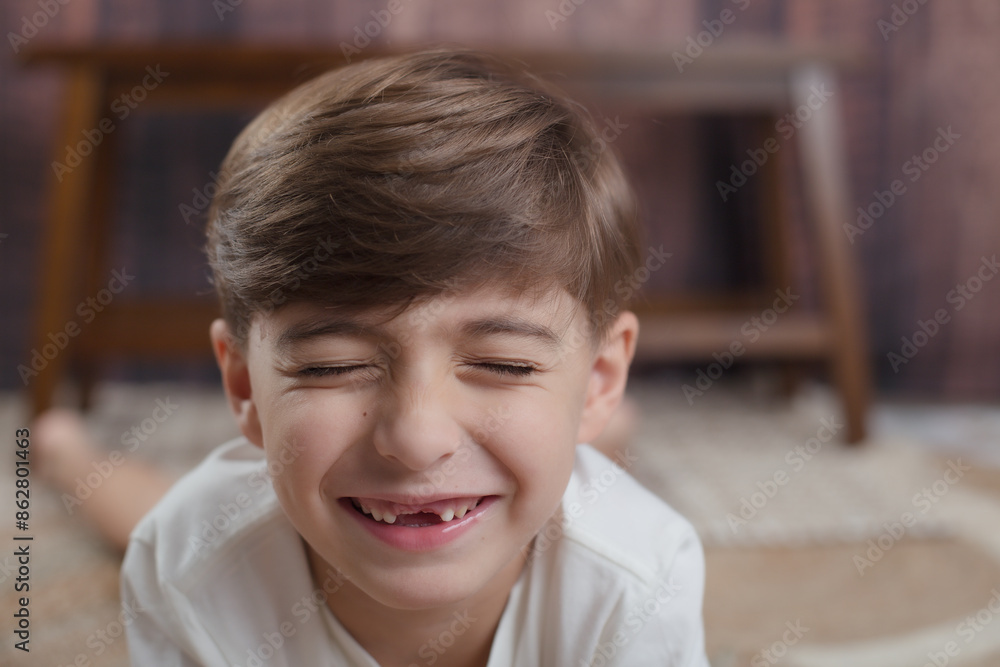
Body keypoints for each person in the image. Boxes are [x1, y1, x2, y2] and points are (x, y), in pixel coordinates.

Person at [102, 48, 706, 666]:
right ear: (244, 388)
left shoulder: (641, 584)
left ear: (600, 378)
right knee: (151, 516)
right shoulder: (185, 570)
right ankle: (65, 448)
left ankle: (599, 444)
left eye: (505, 365)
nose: (417, 440)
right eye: (332, 366)